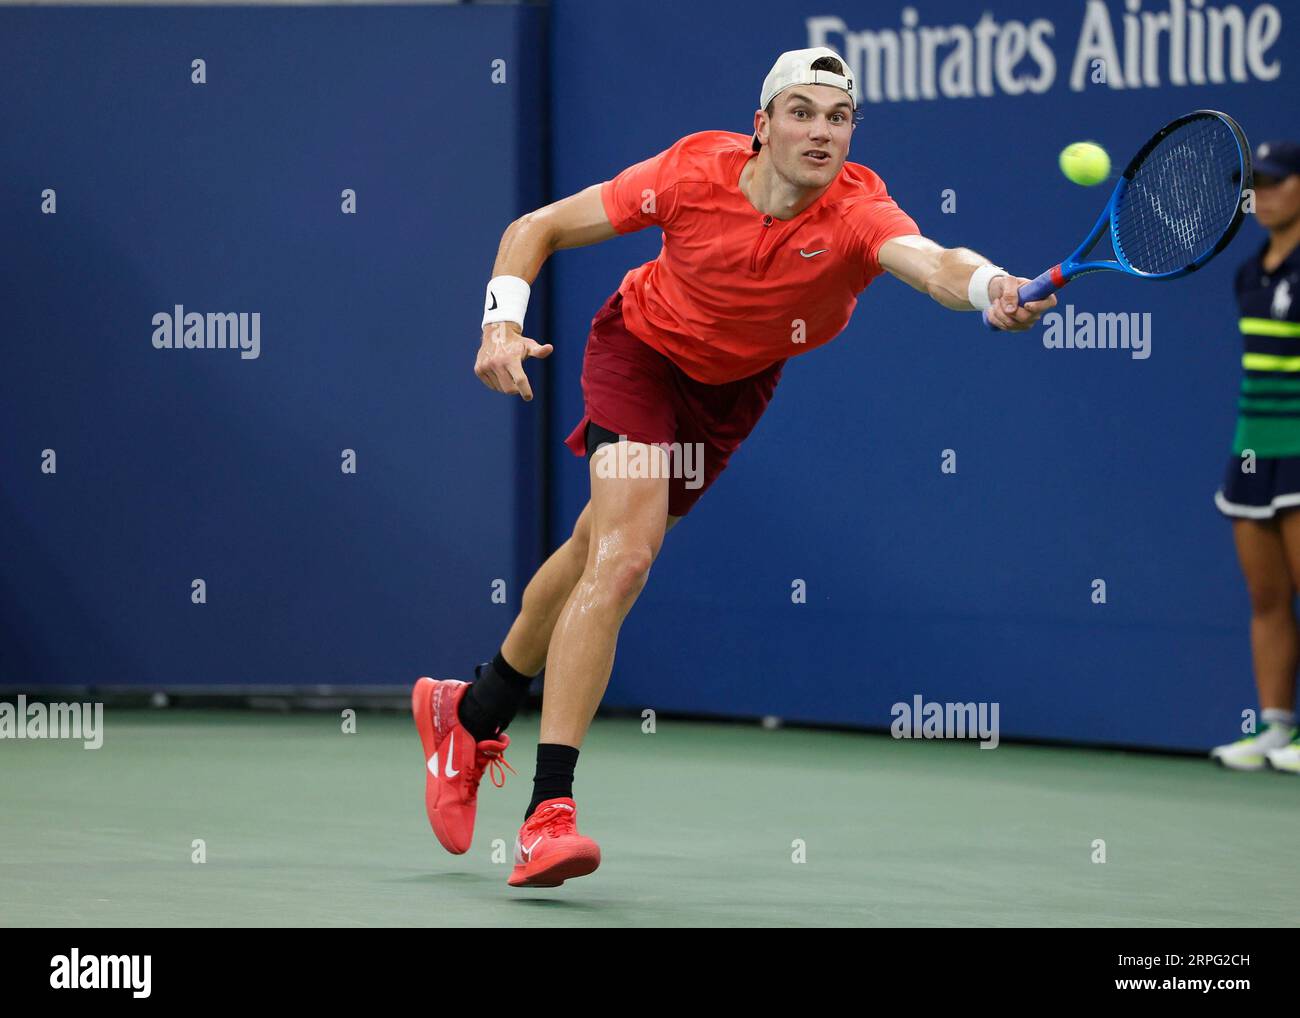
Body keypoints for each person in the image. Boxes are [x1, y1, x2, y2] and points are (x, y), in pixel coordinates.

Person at [413, 46, 1055, 888]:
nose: (821, 132)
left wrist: (993, 287)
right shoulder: (690, 173)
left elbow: (936, 263)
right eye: (802, 112)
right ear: (762, 126)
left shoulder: (860, 212)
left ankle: (467, 710)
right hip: (640, 353)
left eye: (838, 117)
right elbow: (535, 228)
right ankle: (548, 815)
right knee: (627, 557)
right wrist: (501, 323)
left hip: (732, 391)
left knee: (588, 553)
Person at [1211, 140, 1300, 775]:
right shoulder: (1250, 272)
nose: (1259, 194)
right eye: (1253, 184)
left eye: (1274, 182)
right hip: (1252, 451)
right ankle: (1273, 728)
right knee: (1266, 596)